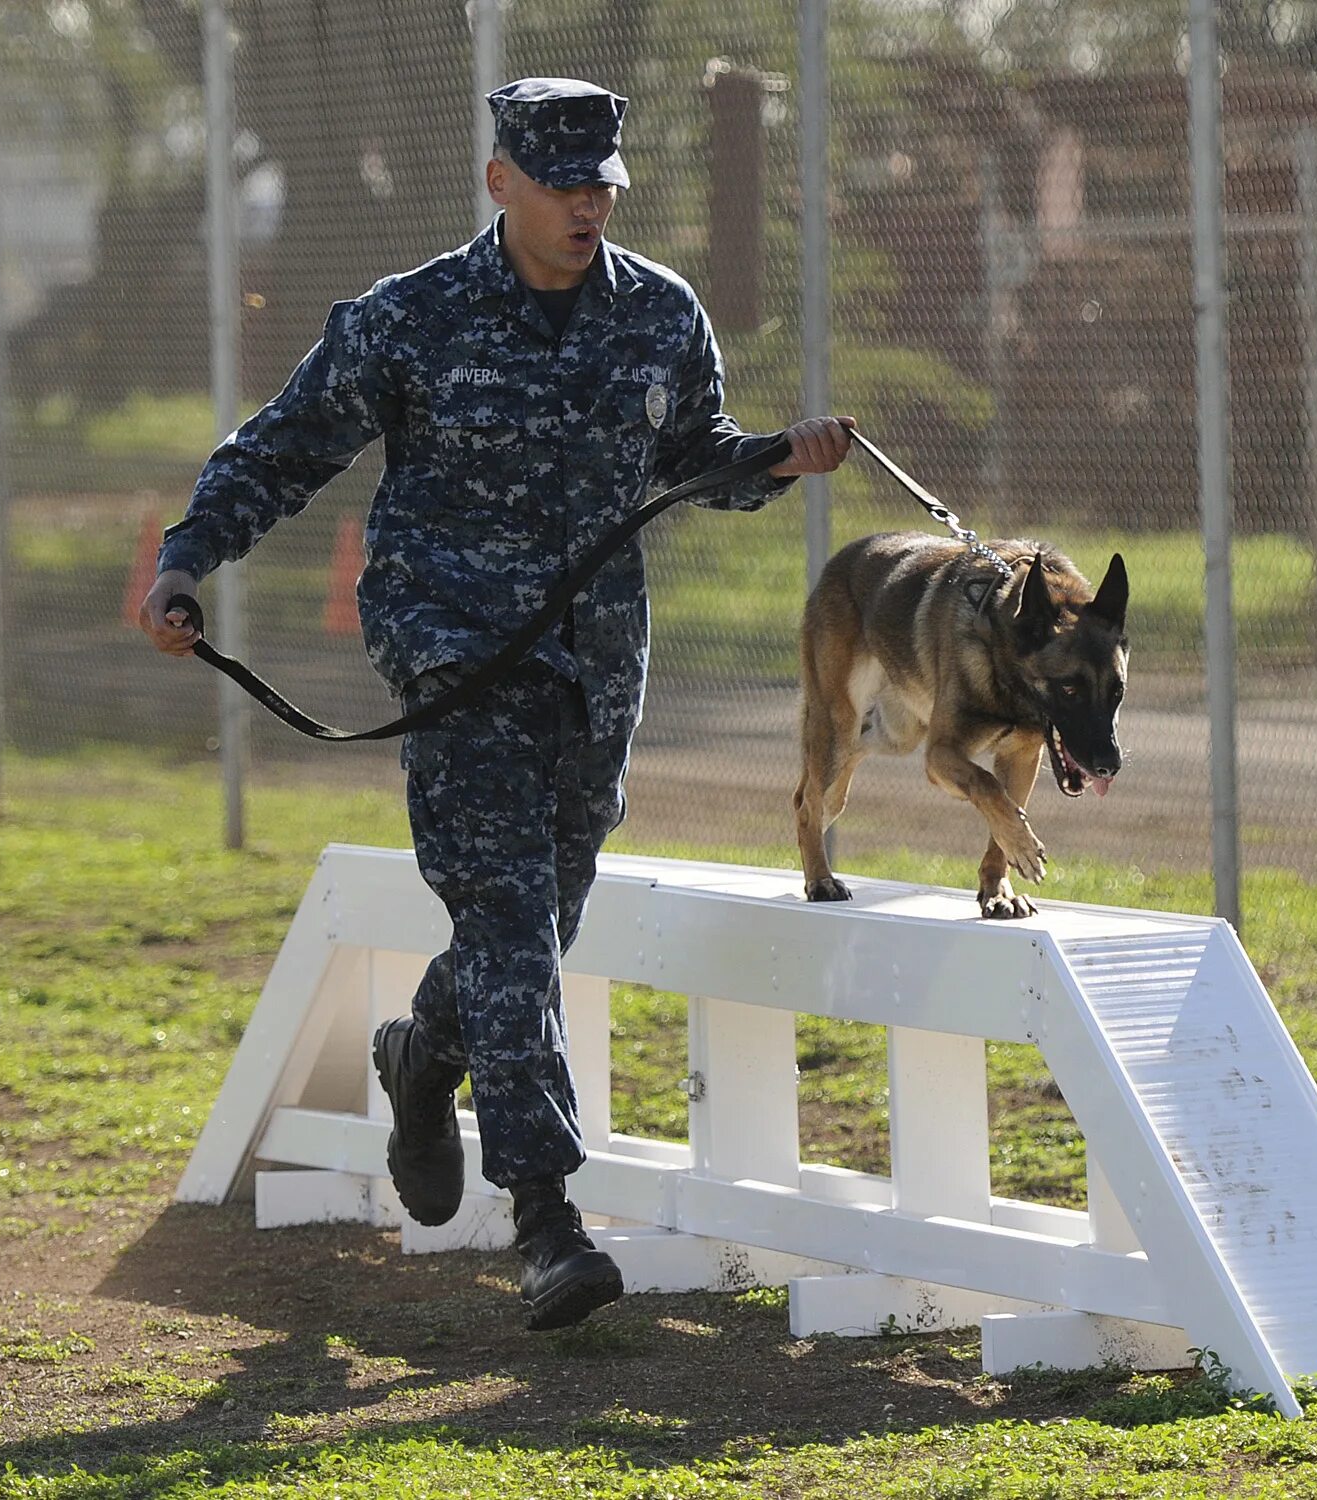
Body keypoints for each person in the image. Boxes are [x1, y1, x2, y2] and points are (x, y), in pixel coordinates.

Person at [138, 78, 853, 1331]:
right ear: (501, 182)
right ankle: (545, 1218)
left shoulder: (661, 316)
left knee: (542, 911)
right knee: (515, 914)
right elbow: (285, 444)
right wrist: (190, 557)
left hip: (597, 662)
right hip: (452, 649)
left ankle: (423, 1055)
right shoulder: (409, 321)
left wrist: (774, 461)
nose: (590, 205)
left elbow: (692, 462)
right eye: (565, 184)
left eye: (604, 187)